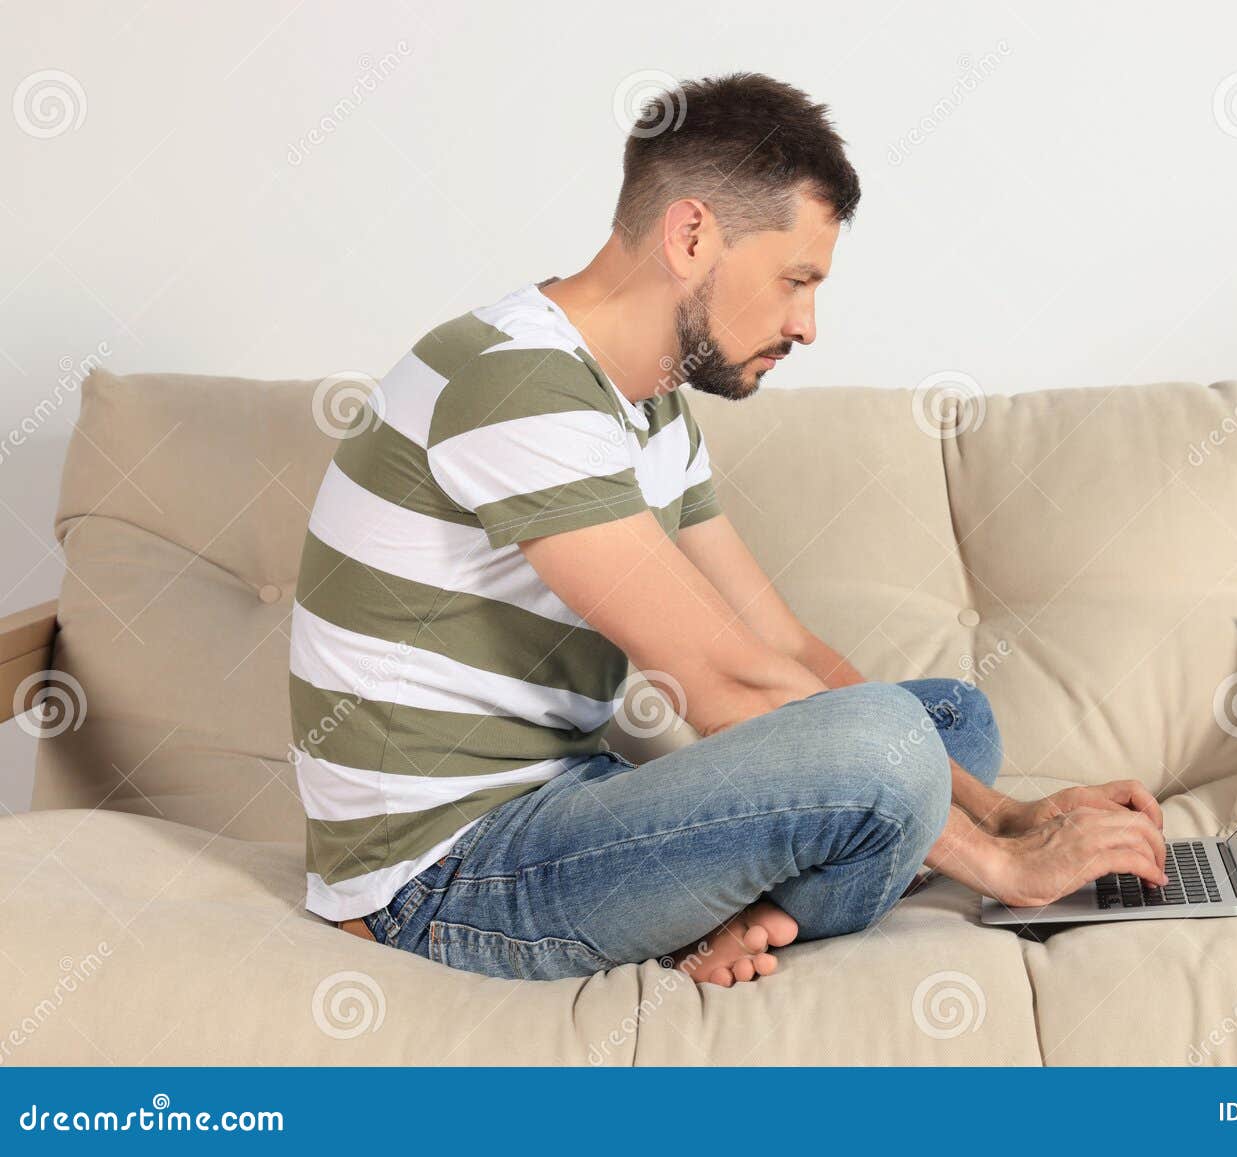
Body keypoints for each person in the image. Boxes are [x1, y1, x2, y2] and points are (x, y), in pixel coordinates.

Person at [287, 71, 1167, 988]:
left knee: (946, 718)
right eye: (796, 279)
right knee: (884, 743)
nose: (808, 324)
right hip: (437, 880)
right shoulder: (513, 385)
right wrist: (1004, 866)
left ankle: (743, 916)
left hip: (566, 802)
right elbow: (720, 683)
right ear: (693, 235)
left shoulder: (654, 408)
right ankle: (765, 904)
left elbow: (778, 640)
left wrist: (1007, 812)